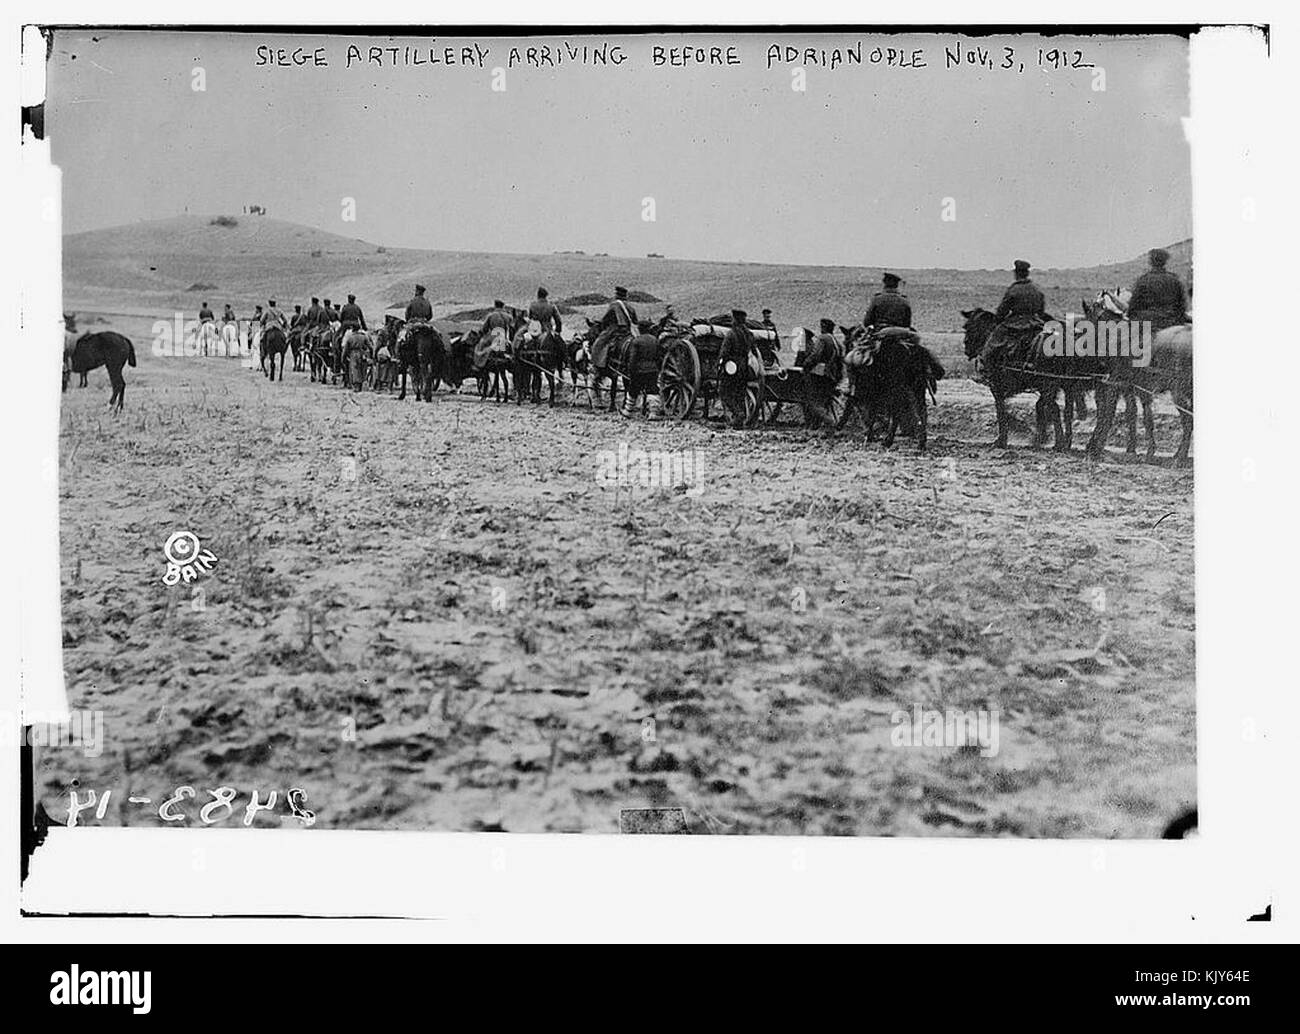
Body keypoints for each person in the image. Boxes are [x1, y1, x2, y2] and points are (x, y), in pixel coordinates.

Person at [980, 259, 1048, 374]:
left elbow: (1002, 311)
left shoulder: (1013, 290)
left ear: (1016, 273)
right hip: (1035, 323)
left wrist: (999, 319)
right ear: (1027, 273)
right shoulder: (1036, 289)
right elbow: (1041, 310)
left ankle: (985, 365)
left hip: (1016, 323)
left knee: (994, 340)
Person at [1128, 248, 1188, 331]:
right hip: (1172, 321)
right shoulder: (1175, 280)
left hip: (1147, 323)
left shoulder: (1143, 281)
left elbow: (1133, 307)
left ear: (1150, 262)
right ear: (1165, 261)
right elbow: (1182, 306)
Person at [590, 286, 638, 371]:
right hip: (628, 331)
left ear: (616, 295)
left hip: (615, 330)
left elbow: (606, 319)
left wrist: (602, 325)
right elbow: (635, 321)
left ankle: (598, 366)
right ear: (625, 296)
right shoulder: (630, 307)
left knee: (598, 343)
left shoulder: (614, 305)